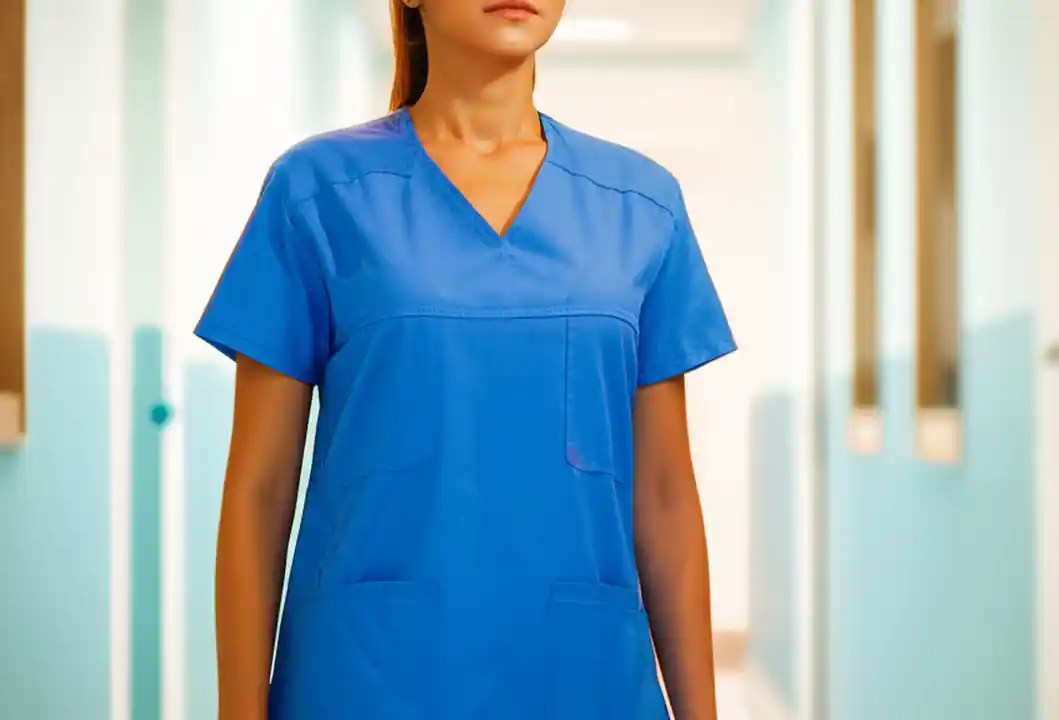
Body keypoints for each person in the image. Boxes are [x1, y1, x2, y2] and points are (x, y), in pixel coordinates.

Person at [195, 0, 736, 717]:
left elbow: (665, 496)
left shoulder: (641, 205)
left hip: (585, 675)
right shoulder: (317, 192)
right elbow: (259, 492)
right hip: (367, 678)